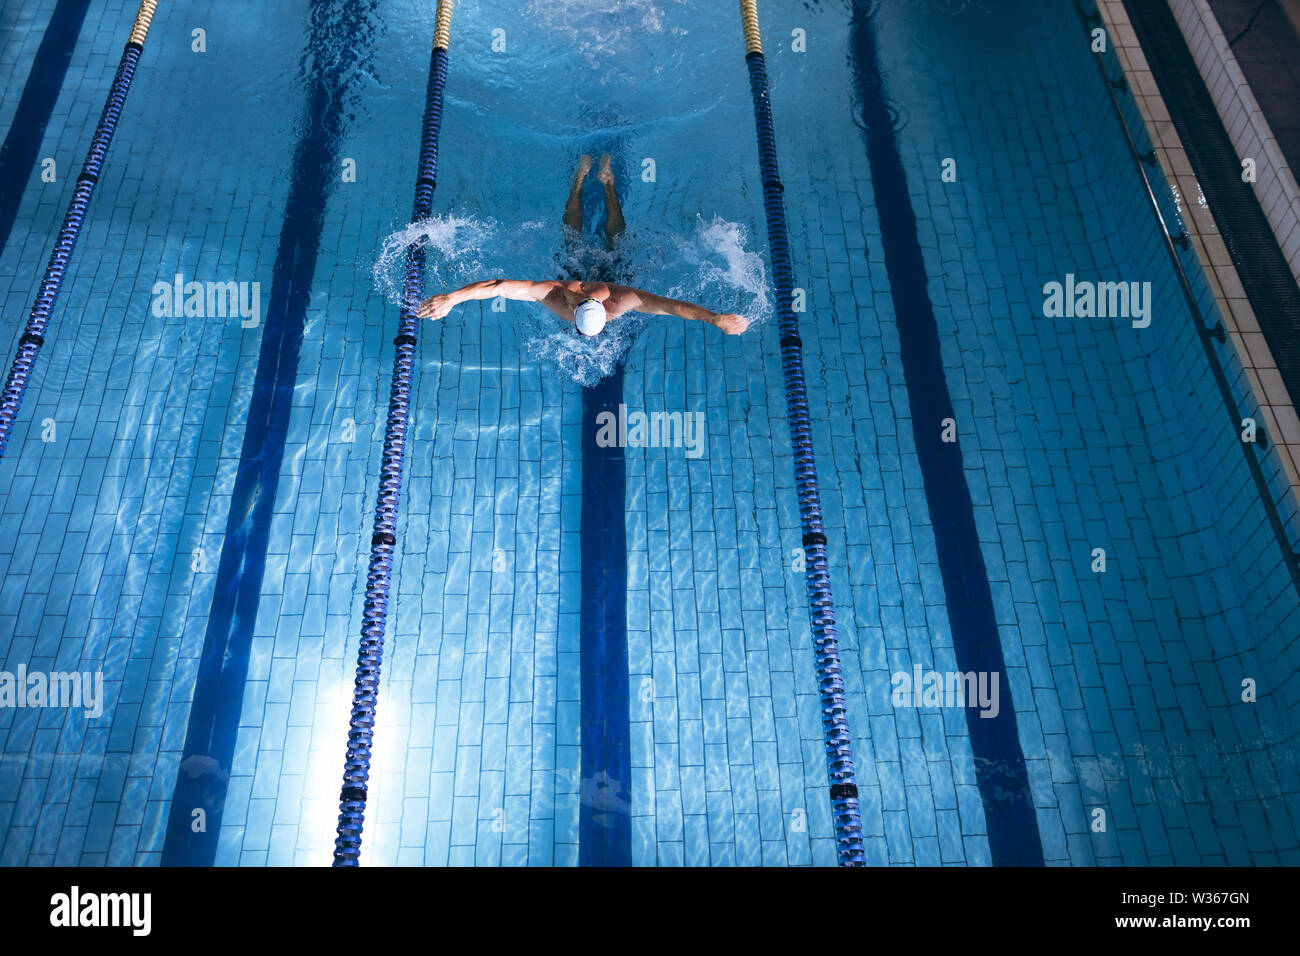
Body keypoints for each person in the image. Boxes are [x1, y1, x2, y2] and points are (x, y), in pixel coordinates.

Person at [417, 154, 749, 336]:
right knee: (601, 239)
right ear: (601, 311)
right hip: (601, 275)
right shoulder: (616, 299)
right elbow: (671, 307)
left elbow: (501, 286)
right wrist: (714, 319)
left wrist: (454, 297)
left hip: (574, 273)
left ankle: (587, 182)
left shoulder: (558, 295)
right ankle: (600, 183)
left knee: (589, 239)